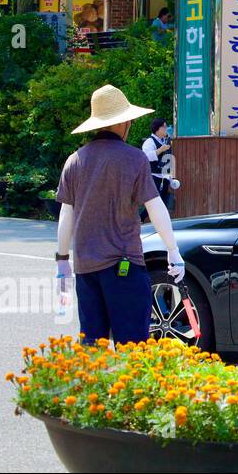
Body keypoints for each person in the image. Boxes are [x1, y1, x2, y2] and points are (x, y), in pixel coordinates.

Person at [56, 85, 182, 345]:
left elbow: (66, 213)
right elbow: (155, 206)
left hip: (85, 270)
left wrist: (62, 260)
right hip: (124, 266)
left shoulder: (74, 160)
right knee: (132, 346)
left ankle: (96, 388)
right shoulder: (134, 159)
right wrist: (173, 251)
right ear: (125, 122)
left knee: (92, 348)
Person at [140, 118, 176, 211]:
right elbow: (146, 157)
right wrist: (160, 150)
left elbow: (169, 158)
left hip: (165, 177)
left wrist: (171, 177)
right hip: (154, 178)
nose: (166, 128)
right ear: (157, 129)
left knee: (162, 205)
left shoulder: (166, 140)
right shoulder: (150, 141)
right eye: (164, 126)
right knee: (154, 204)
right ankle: (140, 219)